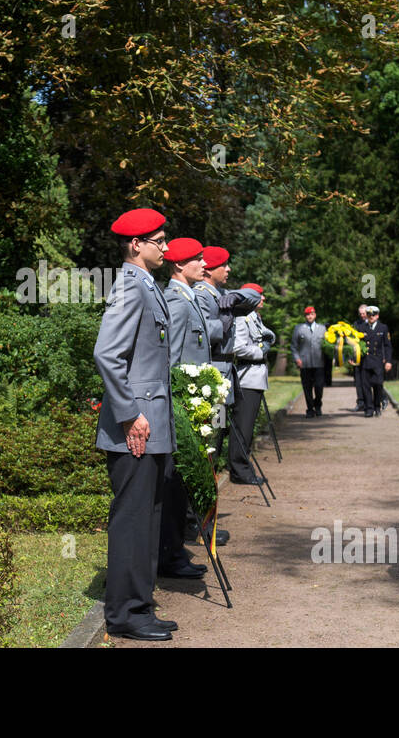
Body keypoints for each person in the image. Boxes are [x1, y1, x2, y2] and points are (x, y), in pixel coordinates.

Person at [92, 207, 178, 640]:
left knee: (148, 519)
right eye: (159, 240)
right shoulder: (129, 286)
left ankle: (140, 607)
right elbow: (107, 354)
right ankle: (124, 613)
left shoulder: (147, 285)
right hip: (136, 427)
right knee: (131, 519)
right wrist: (131, 415)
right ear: (135, 244)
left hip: (151, 424)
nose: (166, 247)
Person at [157, 238, 218, 573]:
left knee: (180, 484)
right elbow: (171, 362)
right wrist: (179, 410)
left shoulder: (188, 299)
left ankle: (174, 551)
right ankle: (170, 555)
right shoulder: (177, 304)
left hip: (190, 407)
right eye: (198, 259)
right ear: (179, 265)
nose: (204, 265)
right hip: (179, 410)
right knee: (174, 483)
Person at [193, 247, 264, 485]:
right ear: (210, 268)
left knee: (218, 436)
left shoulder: (221, 292)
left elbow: (254, 296)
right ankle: (201, 504)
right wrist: (223, 319)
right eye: (224, 264)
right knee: (210, 440)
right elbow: (205, 334)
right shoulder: (202, 295)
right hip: (212, 378)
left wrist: (236, 298)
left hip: (224, 379)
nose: (229, 269)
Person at [229, 283, 276, 482]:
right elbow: (238, 348)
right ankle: (239, 471)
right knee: (243, 427)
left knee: (247, 427)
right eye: (259, 295)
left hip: (256, 378)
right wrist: (260, 350)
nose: (263, 299)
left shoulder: (254, 317)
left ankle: (243, 467)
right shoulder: (242, 319)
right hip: (247, 378)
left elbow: (268, 336)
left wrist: (267, 341)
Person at [291, 305, 327, 417]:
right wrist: (297, 358)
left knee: (319, 387)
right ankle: (310, 409)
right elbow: (294, 346)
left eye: (311, 314)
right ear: (305, 316)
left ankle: (318, 405)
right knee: (307, 388)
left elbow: (327, 345)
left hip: (319, 363)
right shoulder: (299, 328)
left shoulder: (322, 328)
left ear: (315, 315)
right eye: (307, 314)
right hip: (304, 363)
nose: (309, 316)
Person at [359, 306, 392, 417]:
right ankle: (369, 408)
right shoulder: (361, 327)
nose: (371, 317)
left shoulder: (383, 328)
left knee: (378, 384)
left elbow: (387, 346)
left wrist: (388, 361)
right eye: (369, 315)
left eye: (373, 315)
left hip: (378, 361)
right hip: (365, 361)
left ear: (377, 316)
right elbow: (356, 346)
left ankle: (377, 406)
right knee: (366, 386)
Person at [352, 304, 369, 410]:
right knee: (358, 380)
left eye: (364, 313)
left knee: (368, 380)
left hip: (369, 356)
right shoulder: (356, 324)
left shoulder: (372, 324)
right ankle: (360, 402)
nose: (362, 315)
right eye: (361, 313)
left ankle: (370, 402)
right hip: (357, 356)